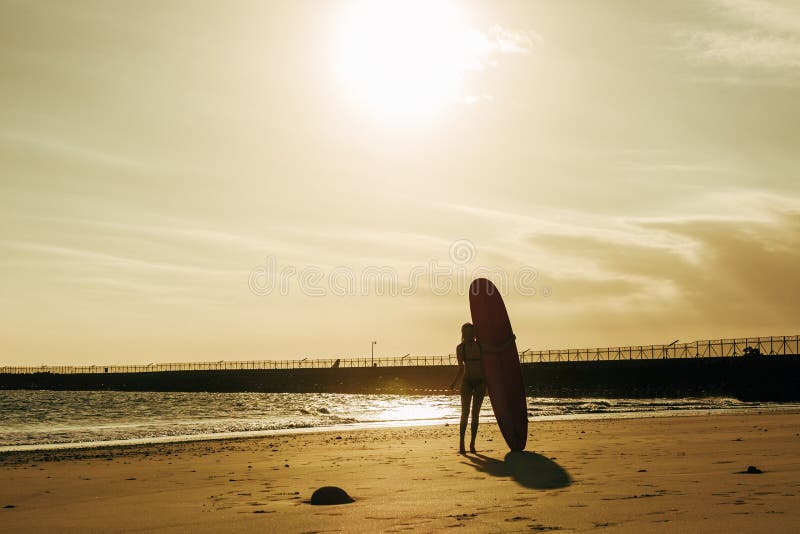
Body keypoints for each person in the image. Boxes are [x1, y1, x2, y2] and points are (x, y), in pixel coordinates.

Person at [450, 322, 516, 454]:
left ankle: (472, 443)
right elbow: (461, 367)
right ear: (463, 334)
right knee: (465, 413)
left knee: (475, 414)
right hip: (467, 382)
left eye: (471, 332)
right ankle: (461, 443)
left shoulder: (480, 346)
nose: (469, 335)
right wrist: (454, 383)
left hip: (480, 382)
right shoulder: (460, 348)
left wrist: (510, 342)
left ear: (474, 333)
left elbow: (497, 349)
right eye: (467, 332)